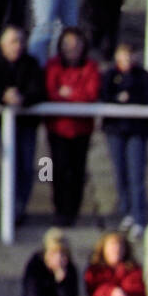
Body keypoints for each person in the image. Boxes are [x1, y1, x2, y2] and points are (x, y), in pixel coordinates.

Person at [98, 42, 148, 235]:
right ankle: (126, 212)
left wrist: (129, 98)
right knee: (120, 173)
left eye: (130, 55)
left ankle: (139, 217)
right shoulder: (109, 75)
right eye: (123, 55)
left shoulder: (143, 76)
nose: (127, 60)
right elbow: (104, 95)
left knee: (136, 175)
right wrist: (117, 99)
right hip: (115, 132)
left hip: (137, 132)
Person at [44, 26, 98, 227]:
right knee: (58, 170)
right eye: (67, 44)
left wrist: (69, 93)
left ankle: (73, 211)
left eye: (76, 44)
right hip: (58, 128)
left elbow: (90, 95)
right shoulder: (53, 65)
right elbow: (50, 92)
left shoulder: (90, 66)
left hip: (81, 129)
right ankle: (59, 210)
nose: (72, 49)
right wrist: (75, 94)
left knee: (77, 170)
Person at [0, 26, 44, 226]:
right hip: (0, 126)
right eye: (12, 41)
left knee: (25, 167)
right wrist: (3, 96)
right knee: (5, 165)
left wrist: (22, 98)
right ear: (2, 44)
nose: (17, 46)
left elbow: (39, 90)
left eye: (20, 41)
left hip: (26, 125)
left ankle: (18, 210)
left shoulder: (31, 63)